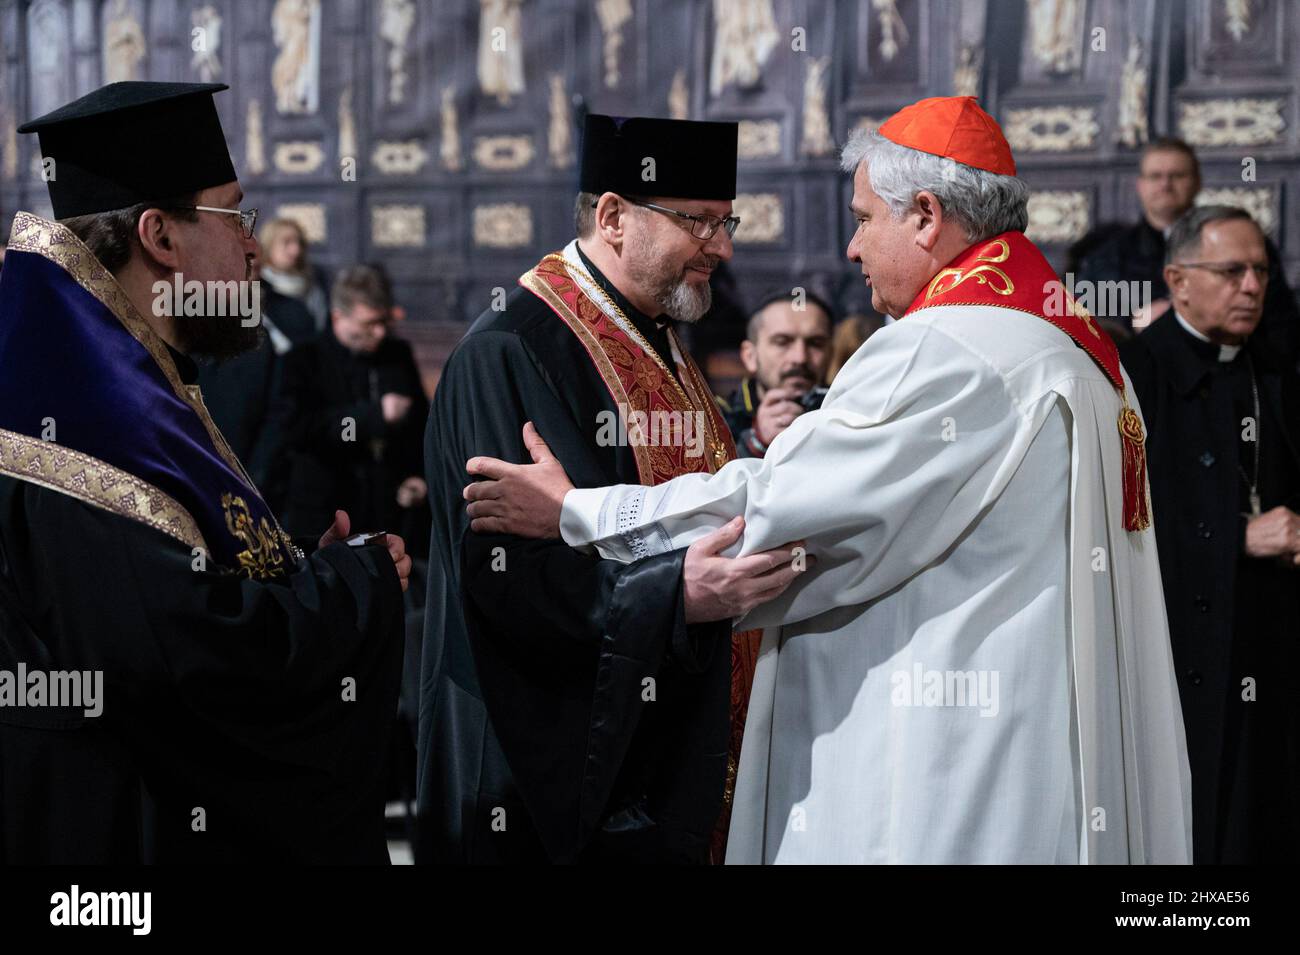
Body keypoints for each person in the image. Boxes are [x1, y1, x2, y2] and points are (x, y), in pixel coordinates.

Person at [460, 96, 1193, 864]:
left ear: (926, 216)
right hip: (1039, 736)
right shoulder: (1072, 345)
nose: (850, 248)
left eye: (865, 218)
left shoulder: (945, 348)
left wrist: (577, 511)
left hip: (946, 760)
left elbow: (775, 509)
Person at [0, 81, 411, 864]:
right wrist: (353, 587)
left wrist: (295, 564)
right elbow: (187, 659)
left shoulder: (112, 371)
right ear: (160, 235)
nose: (252, 246)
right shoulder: (81, 418)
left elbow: (168, 578)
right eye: (234, 215)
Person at [416, 113, 805, 864]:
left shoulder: (659, 338)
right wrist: (677, 595)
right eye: (699, 222)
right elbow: (508, 585)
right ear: (613, 217)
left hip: (666, 753)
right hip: (544, 780)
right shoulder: (511, 350)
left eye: (728, 222)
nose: (722, 247)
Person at [1118, 205, 1300, 863]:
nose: (1252, 286)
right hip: (1178, 650)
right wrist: (1236, 539)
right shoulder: (1135, 374)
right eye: (1231, 271)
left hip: (1271, 644)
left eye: (1260, 270)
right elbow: (1113, 526)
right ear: (1178, 279)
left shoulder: (1276, 365)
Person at [1075, 137, 1300, 349]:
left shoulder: (1243, 245)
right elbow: (1084, 322)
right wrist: (1132, 321)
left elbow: (1280, 325)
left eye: (1177, 175)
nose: (1165, 185)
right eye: (1155, 176)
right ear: (1140, 185)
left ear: (1197, 182)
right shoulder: (1106, 254)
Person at [275, 264, 430, 555]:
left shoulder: (397, 355)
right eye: (369, 323)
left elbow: (422, 422)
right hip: (326, 515)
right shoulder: (305, 359)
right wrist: (373, 417)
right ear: (338, 317)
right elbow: (298, 429)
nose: (380, 332)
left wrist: (418, 475)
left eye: (384, 321)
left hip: (390, 513)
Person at [718, 289, 833, 457]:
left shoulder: (847, 413)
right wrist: (755, 443)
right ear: (750, 356)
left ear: (831, 353)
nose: (800, 357)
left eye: (815, 343)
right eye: (782, 342)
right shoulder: (716, 419)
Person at [258, 216, 329, 341]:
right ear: (269, 245)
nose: (295, 250)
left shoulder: (312, 283)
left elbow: (320, 326)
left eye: (299, 243)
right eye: (287, 242)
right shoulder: (257, 286)